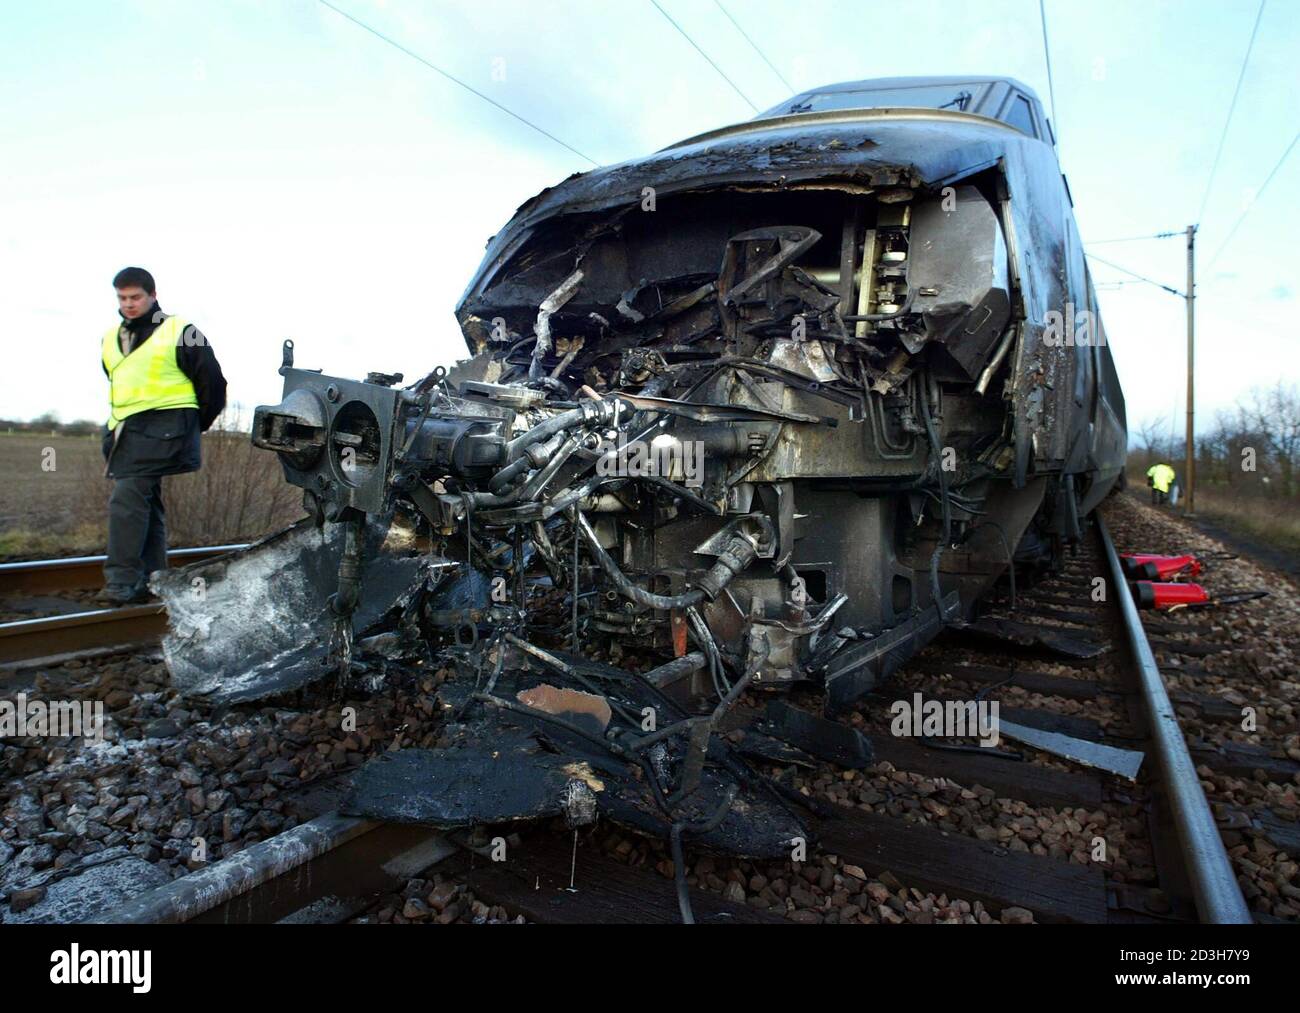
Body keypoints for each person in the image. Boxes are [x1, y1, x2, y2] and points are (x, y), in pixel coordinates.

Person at [98, 267, 227, 604]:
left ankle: (120, 581)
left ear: (153, 295)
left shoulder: (181, 330)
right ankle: (153, 579)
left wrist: (191, 426)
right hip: (125, 434)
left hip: (165, 431)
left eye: (135, 297)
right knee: (145, 503)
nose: (128, 304)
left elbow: (213, 383)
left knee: (126, 500)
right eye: (122, 298)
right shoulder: (111, 338)